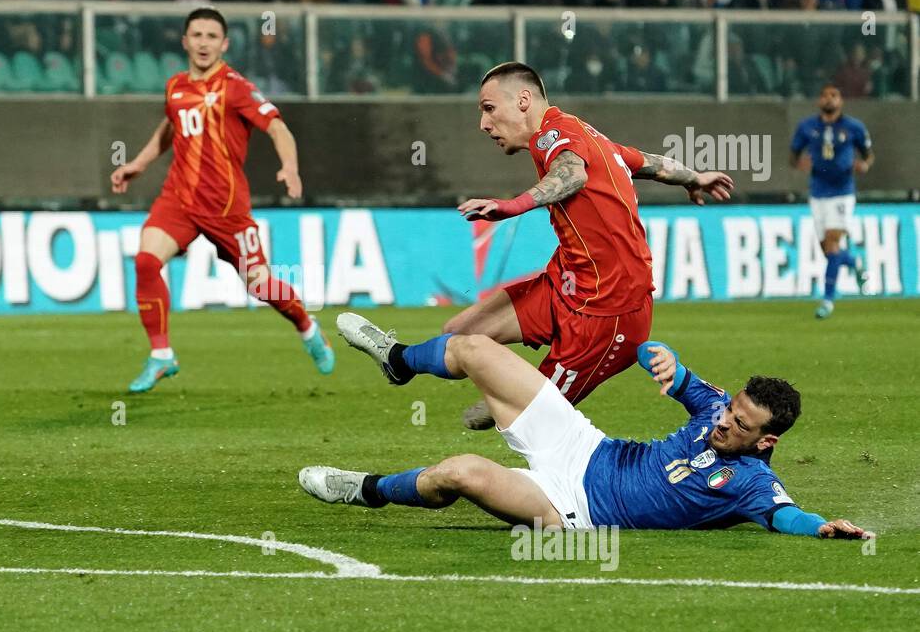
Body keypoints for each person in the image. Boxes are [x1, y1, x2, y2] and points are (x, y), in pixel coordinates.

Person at [300, 313, 873, 544]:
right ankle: (399, 360)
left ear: (766, 441)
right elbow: (651, 348)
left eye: (738, 423)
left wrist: (823, 527)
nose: (723, 420)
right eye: (729, 409)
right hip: (582, 443)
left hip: (574, 506)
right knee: (475, 347)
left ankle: (365, 490)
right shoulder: (718, 406)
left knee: (459, 472)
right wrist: (664, 355)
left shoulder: (752, 483)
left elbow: (785, 515)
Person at [448, 62, 734, 430]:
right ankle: (424, 365)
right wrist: (694, 177)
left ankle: (531, 422)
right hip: (573, 282)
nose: (484, 124)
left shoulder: (554, 136)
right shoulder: (586, 135)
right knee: (458, 336)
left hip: (613, 304)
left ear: (523, 100)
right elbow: (650, 163)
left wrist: (512, 205)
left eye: (488, 109)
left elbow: (573, 174)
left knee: (530, 420)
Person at [108, 7, 335, 392]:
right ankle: (162, 355)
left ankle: (307, 326)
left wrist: (290, 167)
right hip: (178, 199)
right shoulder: (175, 86)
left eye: (212, 36)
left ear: (224, 44)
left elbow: (277, 127)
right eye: (196, 35)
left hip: (226, 208)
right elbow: (171, 125)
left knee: (260, 284)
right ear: (185, 41)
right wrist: (138, 165)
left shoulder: (236, 87)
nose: (203, 43)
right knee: (146, 261)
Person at [789, 84, 873, 319]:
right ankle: (854, 261)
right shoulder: (806, 127)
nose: (829, 98)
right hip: (818, 193)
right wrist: (798, 163)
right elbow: (793, 155)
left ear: (841, 101)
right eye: (825, 94)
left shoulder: (854, 127)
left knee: (834, 244)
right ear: (819, 100)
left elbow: (868, 154)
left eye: (834, 95)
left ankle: (827, 301)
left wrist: (864, 165)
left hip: (842, 192)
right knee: (829, 252)